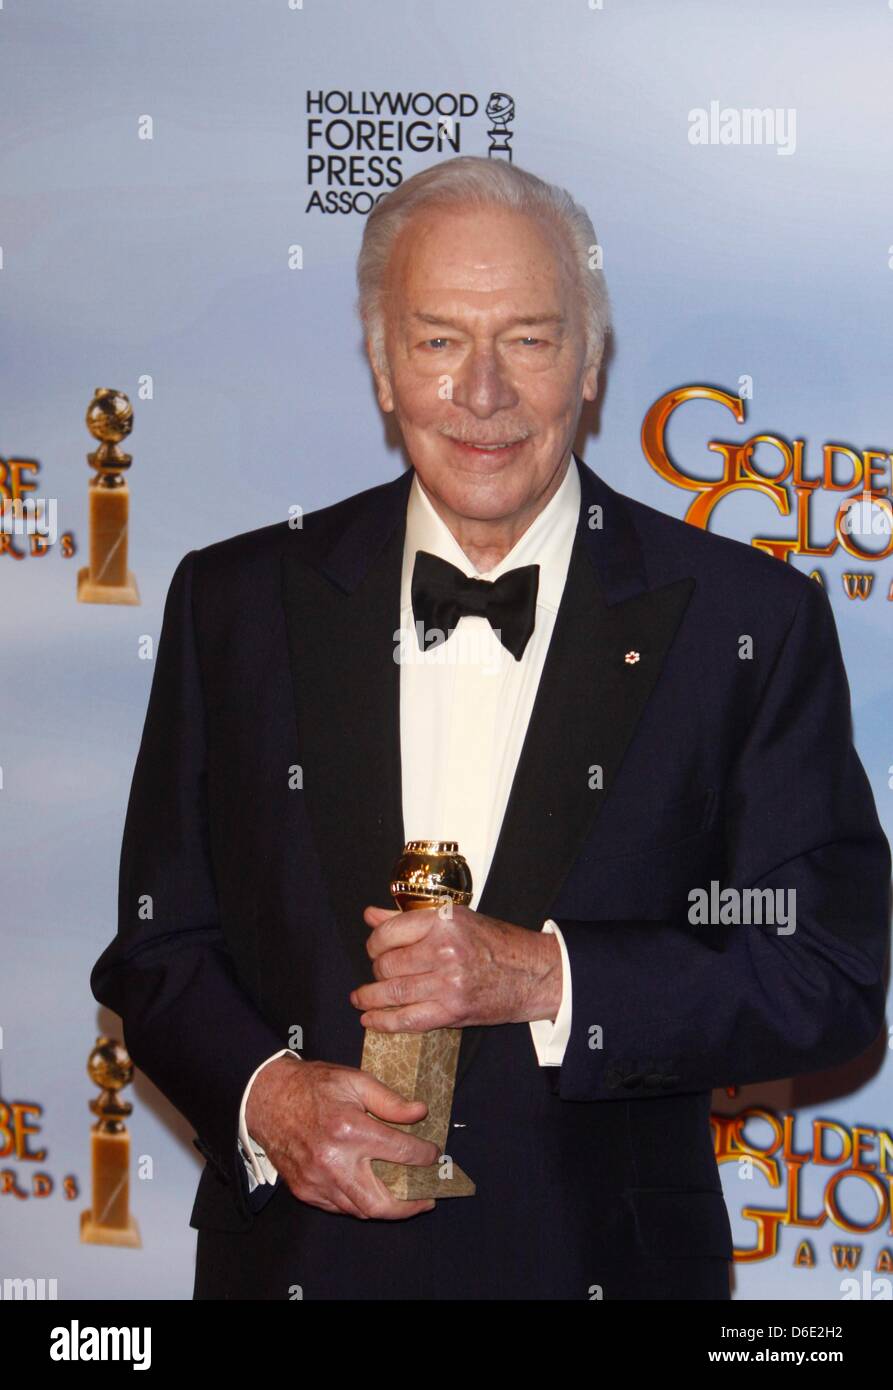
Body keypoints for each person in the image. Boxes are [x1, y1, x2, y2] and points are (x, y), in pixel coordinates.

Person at [91, 155, 890, 1300]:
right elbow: (161, 946)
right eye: (435, 341)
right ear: (379, 364)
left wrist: (547, 976)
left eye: (526, 338)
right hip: (298, 1270)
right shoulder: (234, 603)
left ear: (589, 363)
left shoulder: (742, 621)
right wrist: (267, 1097)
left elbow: (824, 972)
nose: (480, 394)